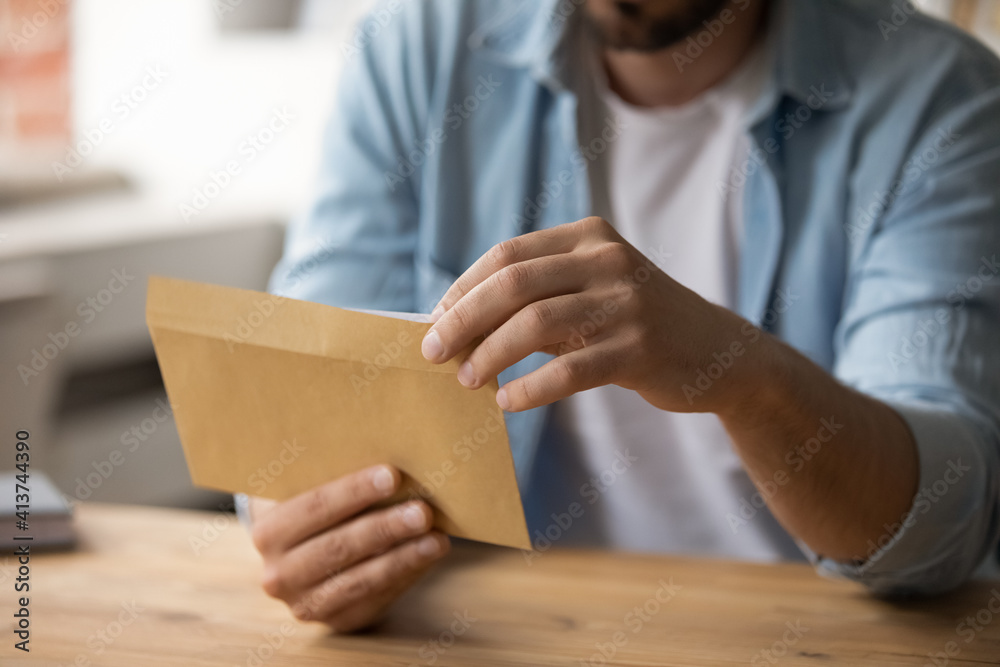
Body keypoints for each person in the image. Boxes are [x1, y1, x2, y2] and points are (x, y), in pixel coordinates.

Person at [246, 0, 1000, 632]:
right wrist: (310, 527)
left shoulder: (942, 100)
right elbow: (296, 403)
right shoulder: (419, 46)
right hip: (500, 634)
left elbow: (943, 525)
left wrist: (740, 372)